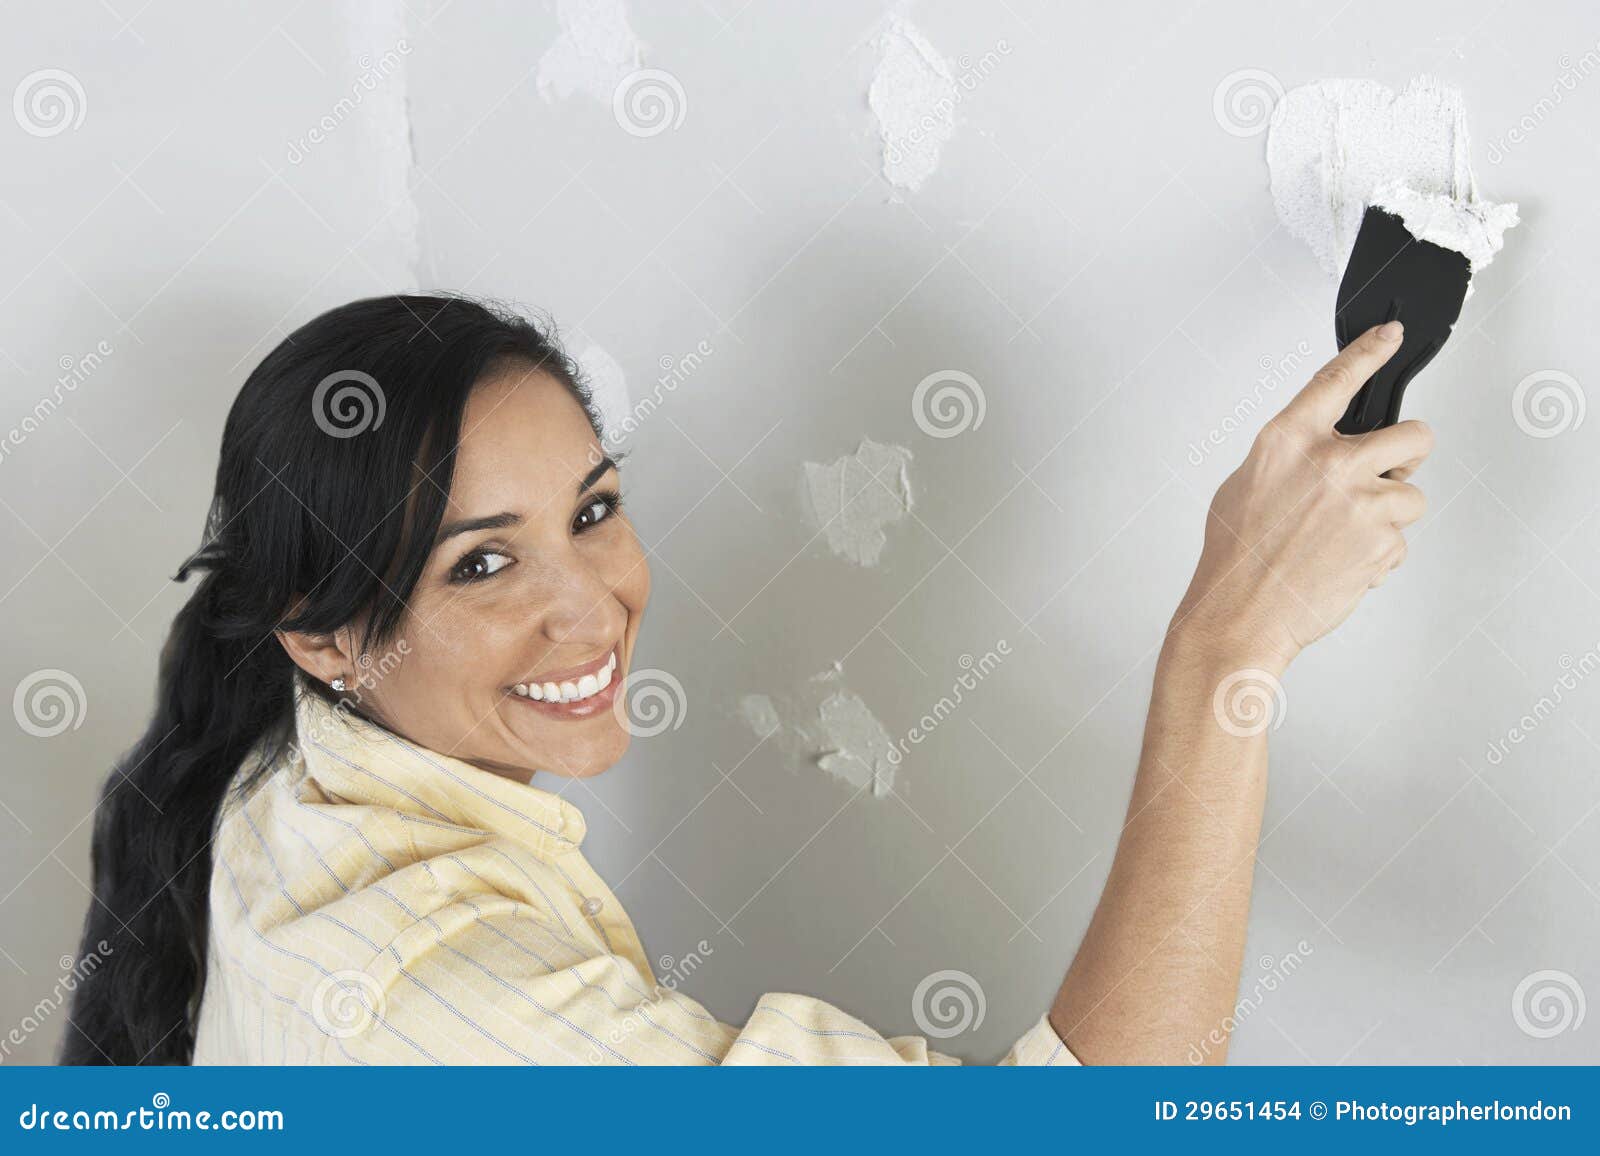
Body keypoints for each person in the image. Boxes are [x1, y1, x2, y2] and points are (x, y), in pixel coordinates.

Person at [59, 296, 1428, 1065]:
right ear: (322, 636)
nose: (590, 608)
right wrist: (1224, 656)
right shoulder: (441, 998)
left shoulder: (288, 769)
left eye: (593, 512)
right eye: (482, 565)